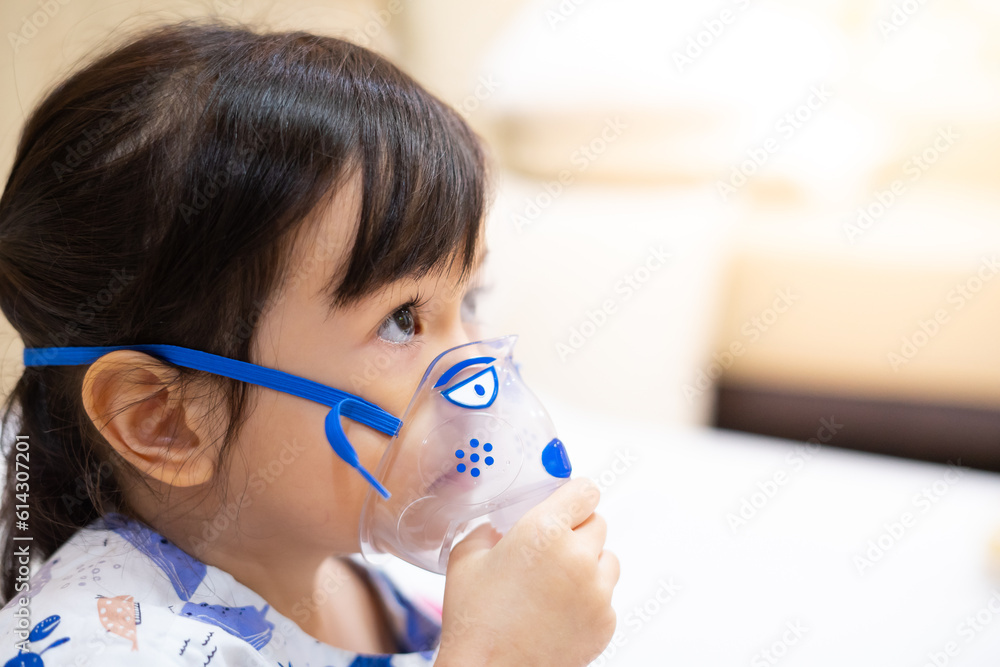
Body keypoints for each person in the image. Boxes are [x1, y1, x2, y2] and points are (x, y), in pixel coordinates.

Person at [0, 18, 618, 667]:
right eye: (401, 319)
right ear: (166, 420)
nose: (476, 375)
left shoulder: (342, 576)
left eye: (469, 302)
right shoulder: (102, 645)